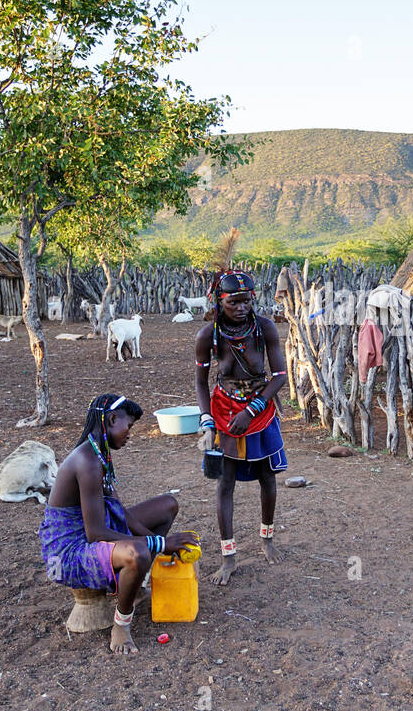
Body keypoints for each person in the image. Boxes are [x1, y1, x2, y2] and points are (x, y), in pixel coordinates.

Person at [39, 393, 198, 654]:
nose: (130, 434)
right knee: (138, 553)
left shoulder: (99, 456)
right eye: (130, 426)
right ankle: (121, 624)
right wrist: (159, 543)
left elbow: (121, 513)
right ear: (112, 419)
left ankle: (133, 586)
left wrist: (160, 545)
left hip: (93, 533)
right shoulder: (87, 461)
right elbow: (96, 533)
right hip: (69, 552)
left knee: (168, 505)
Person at [195, 269, 289, 586]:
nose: (241, 307)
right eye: (233, 302)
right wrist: (207, 421)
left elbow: (279, 376)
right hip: (224, 412)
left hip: (259, 411)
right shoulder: (209, 336)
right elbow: (200, 382)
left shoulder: (264, 328)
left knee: (266, 477)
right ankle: (229, 557)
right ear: (219, 301)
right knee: (225, 484)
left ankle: (267, 539)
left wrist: (251, 409)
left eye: (246, 301)